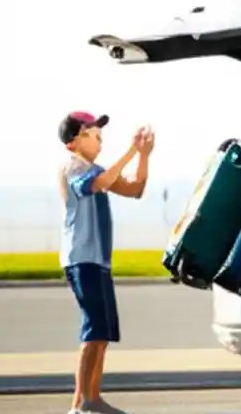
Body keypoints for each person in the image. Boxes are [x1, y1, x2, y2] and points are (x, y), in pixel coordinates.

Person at [57, 111, 155, 414]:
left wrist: (144, 156)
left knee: (103, 332)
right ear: (72, 143)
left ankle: (87, 400)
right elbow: (98, 184)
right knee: (94, 328)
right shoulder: (73, 167)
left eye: (99, 133)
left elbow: (135, 189)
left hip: (98, 260)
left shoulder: (98, 169)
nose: (98, 138)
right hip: (81, 258)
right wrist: (130, 151)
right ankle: (85, 402)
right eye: (90, 133)